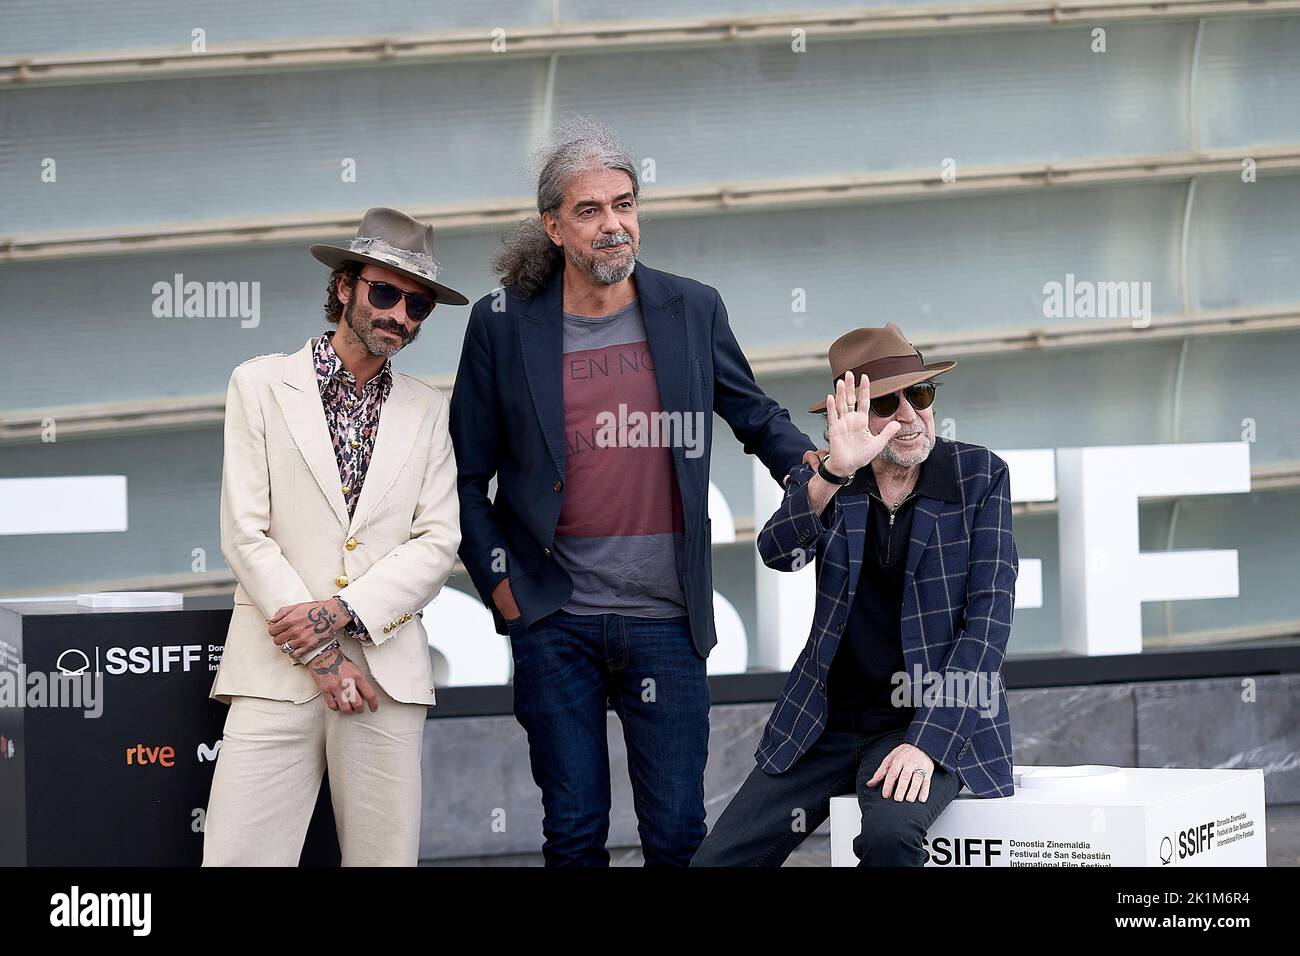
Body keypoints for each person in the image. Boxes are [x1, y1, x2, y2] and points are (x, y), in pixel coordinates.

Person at [449, 116, 817, 866]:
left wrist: (814, 471)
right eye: (590, 211)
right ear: (553, 226)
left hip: (666, 621)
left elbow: (753, 414)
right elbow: (463, 475)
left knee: (679, 836)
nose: (613, 225)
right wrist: (505, 593)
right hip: (555, 619)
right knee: (575, 832)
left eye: (625, 204)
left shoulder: (691, 309)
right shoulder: (501, 326)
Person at [692, 323, 1018, 866]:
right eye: (888, 403)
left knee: (890, 840)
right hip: (825, 722)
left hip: (920, 722)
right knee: (717, 861)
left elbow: (988, 624)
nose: (911, 416)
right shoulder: (830, 476)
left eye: (921, 394)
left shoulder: (978, 476)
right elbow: (780, 552)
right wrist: (834, 472)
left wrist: (926, 744)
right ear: (852, 415)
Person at [203, 207, 465, 866]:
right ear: (345, 286)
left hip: (385, 675)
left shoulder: (431, 410)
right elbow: (245, 530)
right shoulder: (259, 385)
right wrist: (323, 654)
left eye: (418, 305)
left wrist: (343, 614)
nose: (401, 315)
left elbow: (438, 542)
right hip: (274, 672)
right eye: (385, 292)